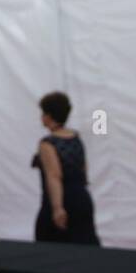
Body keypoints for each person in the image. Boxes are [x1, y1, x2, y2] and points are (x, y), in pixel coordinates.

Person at [32, 92, 100, 245]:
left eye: (43, 113)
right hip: (82, 199)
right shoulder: (76, 137)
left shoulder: (47, 143)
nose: (41, 117)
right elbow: (84, 170)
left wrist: (57, 208)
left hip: (61, 200)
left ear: (49, 116)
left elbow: (54, 176)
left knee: (52, 250)